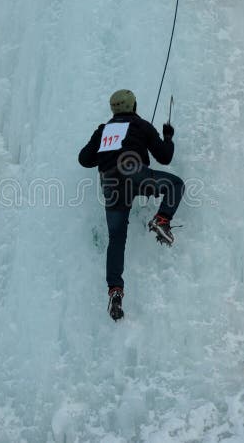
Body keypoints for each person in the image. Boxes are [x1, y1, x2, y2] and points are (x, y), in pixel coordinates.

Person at [78, 89, 184, 321]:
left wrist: (107, 154)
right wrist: (167, 137)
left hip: (110, 183)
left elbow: (84, 159)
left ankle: (115, 290)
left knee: (116, 239)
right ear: (133, 106)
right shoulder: (140, 125)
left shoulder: (103, 130)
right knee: (175, 185)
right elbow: (164, 157)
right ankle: (161, 220)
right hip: (135, 173)